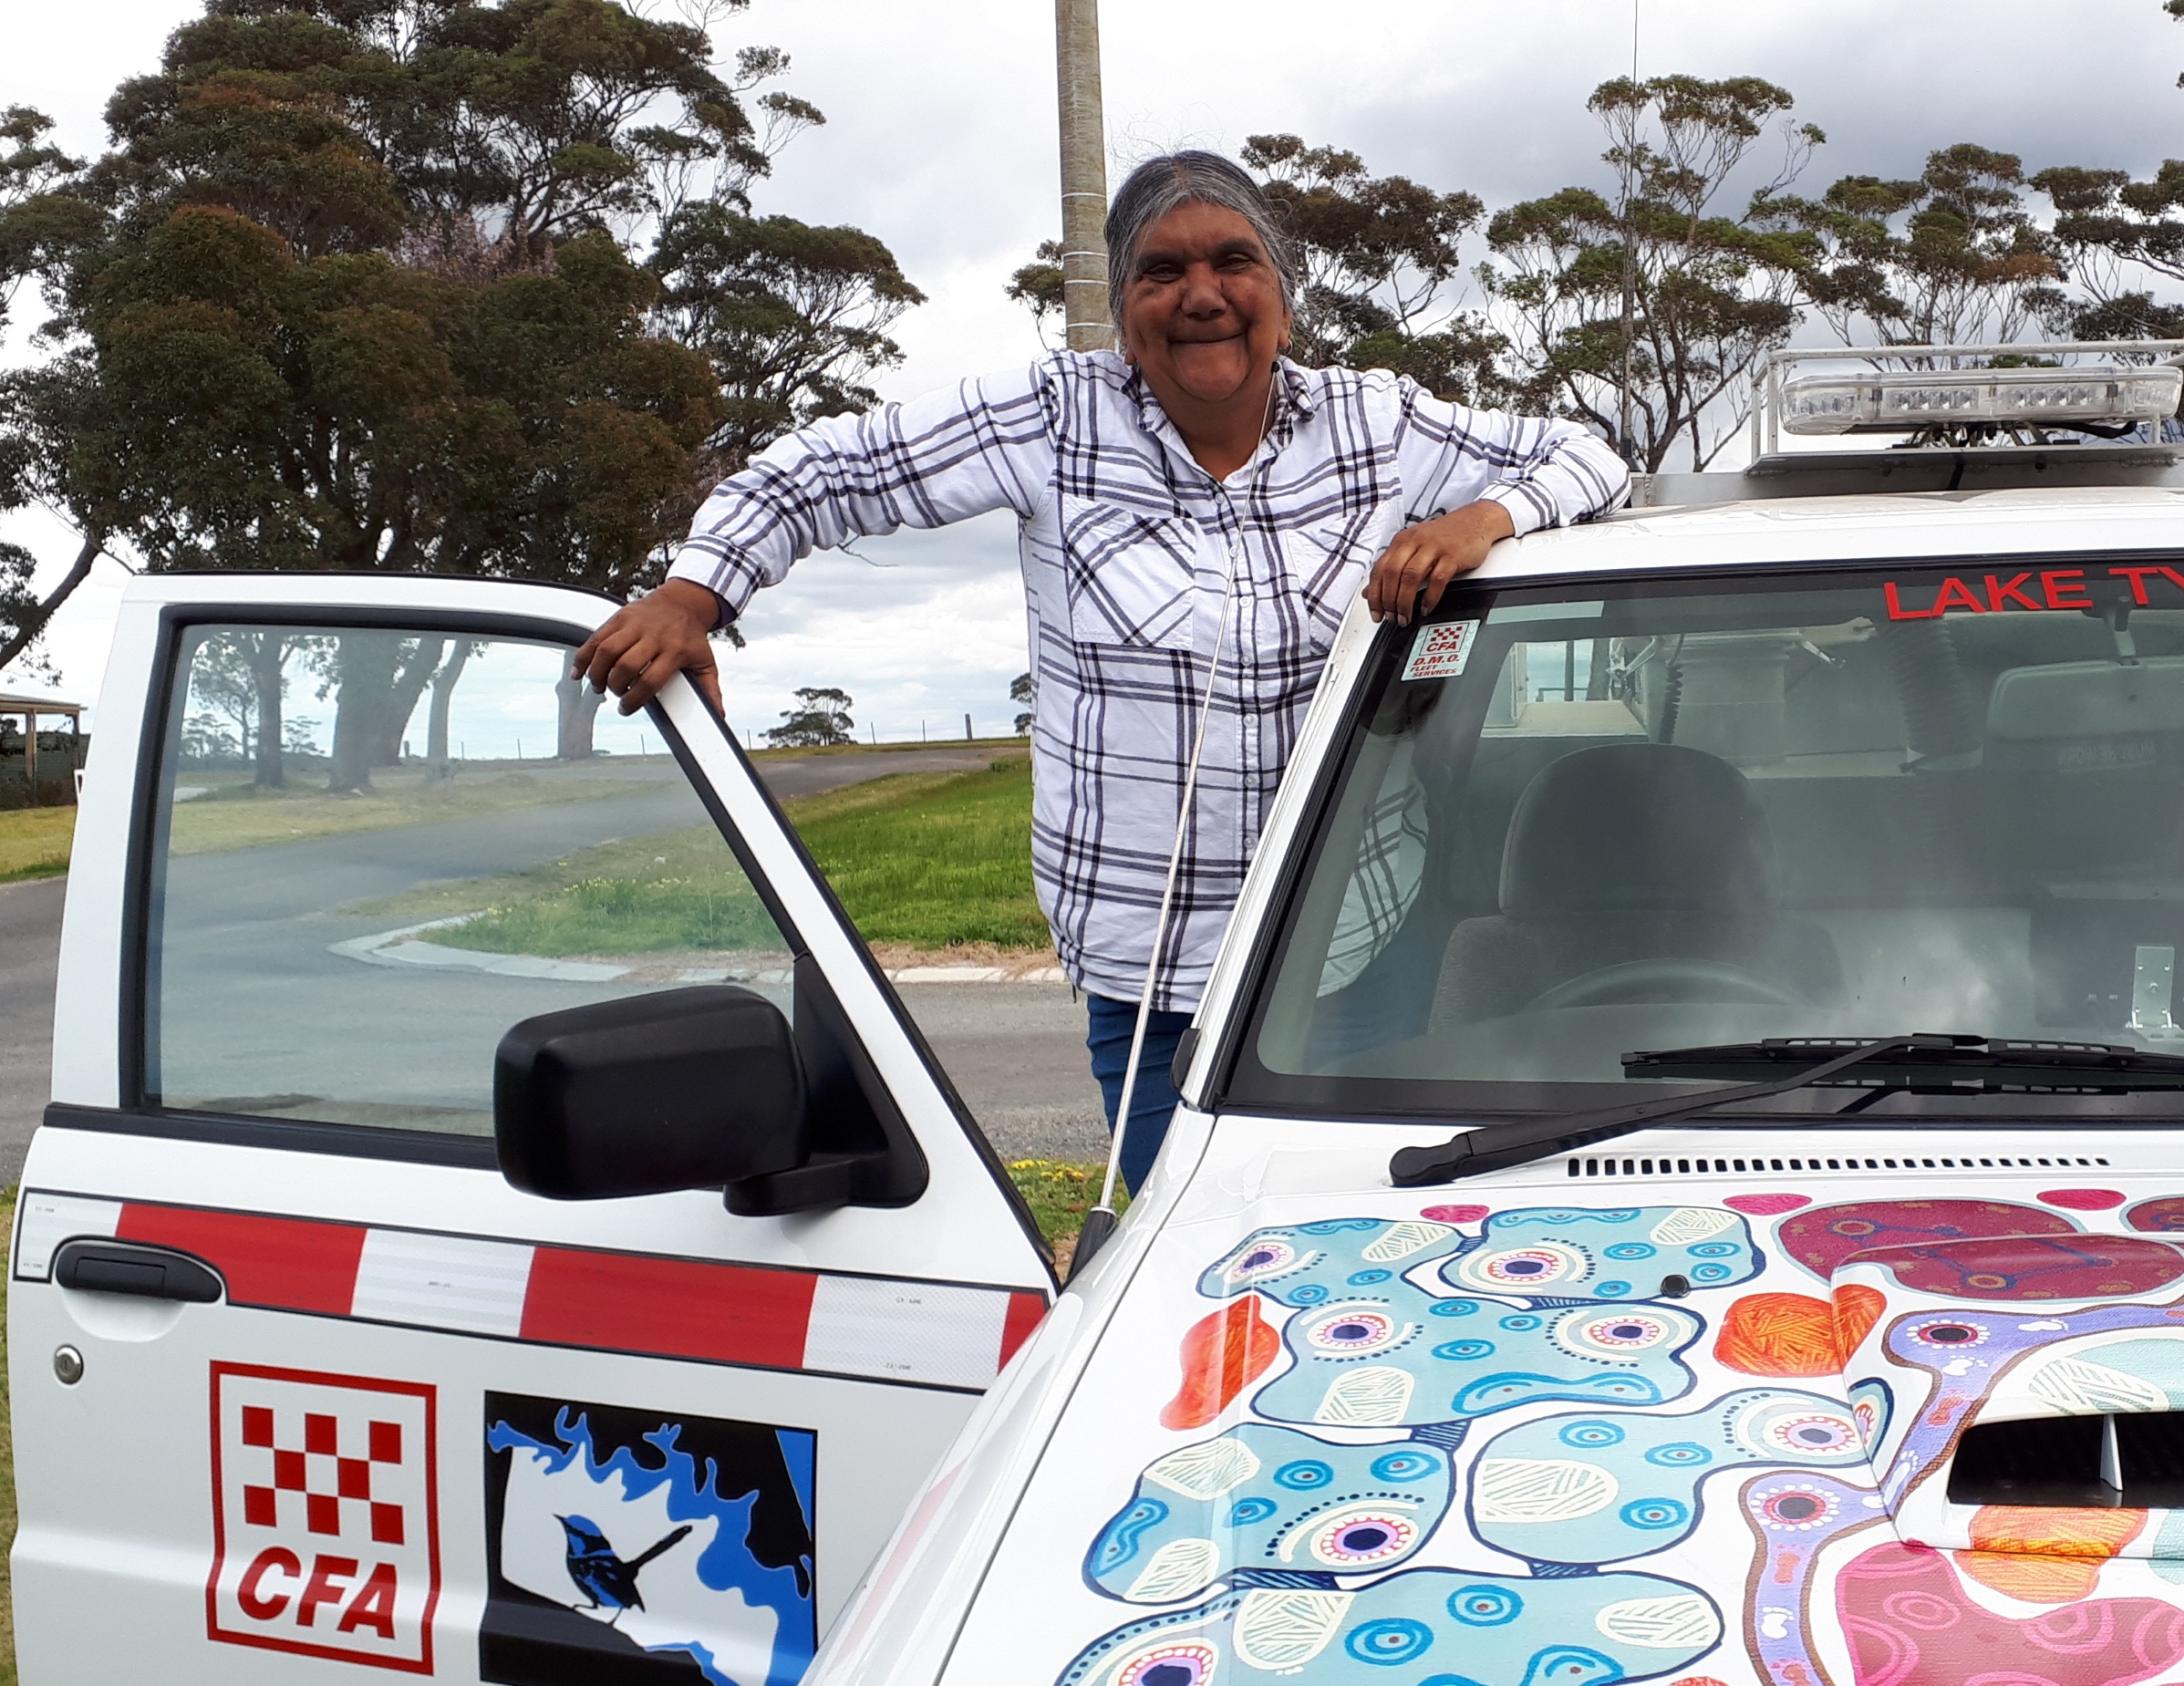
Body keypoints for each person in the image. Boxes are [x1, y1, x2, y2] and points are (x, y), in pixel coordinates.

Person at [573, 150, 1629, 1193]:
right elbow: (815, 474)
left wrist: (1482, 517)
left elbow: (1589, 453)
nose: (1202, 295)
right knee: (1184, 1226)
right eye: (1162, 271)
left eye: (1233, 261)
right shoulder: (1053, 420)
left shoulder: (1373, 423)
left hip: (1352, 941)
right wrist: (692, 598)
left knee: (1350, 1215)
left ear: (1283, 296)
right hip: (1150, 970)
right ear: (1123, 312)